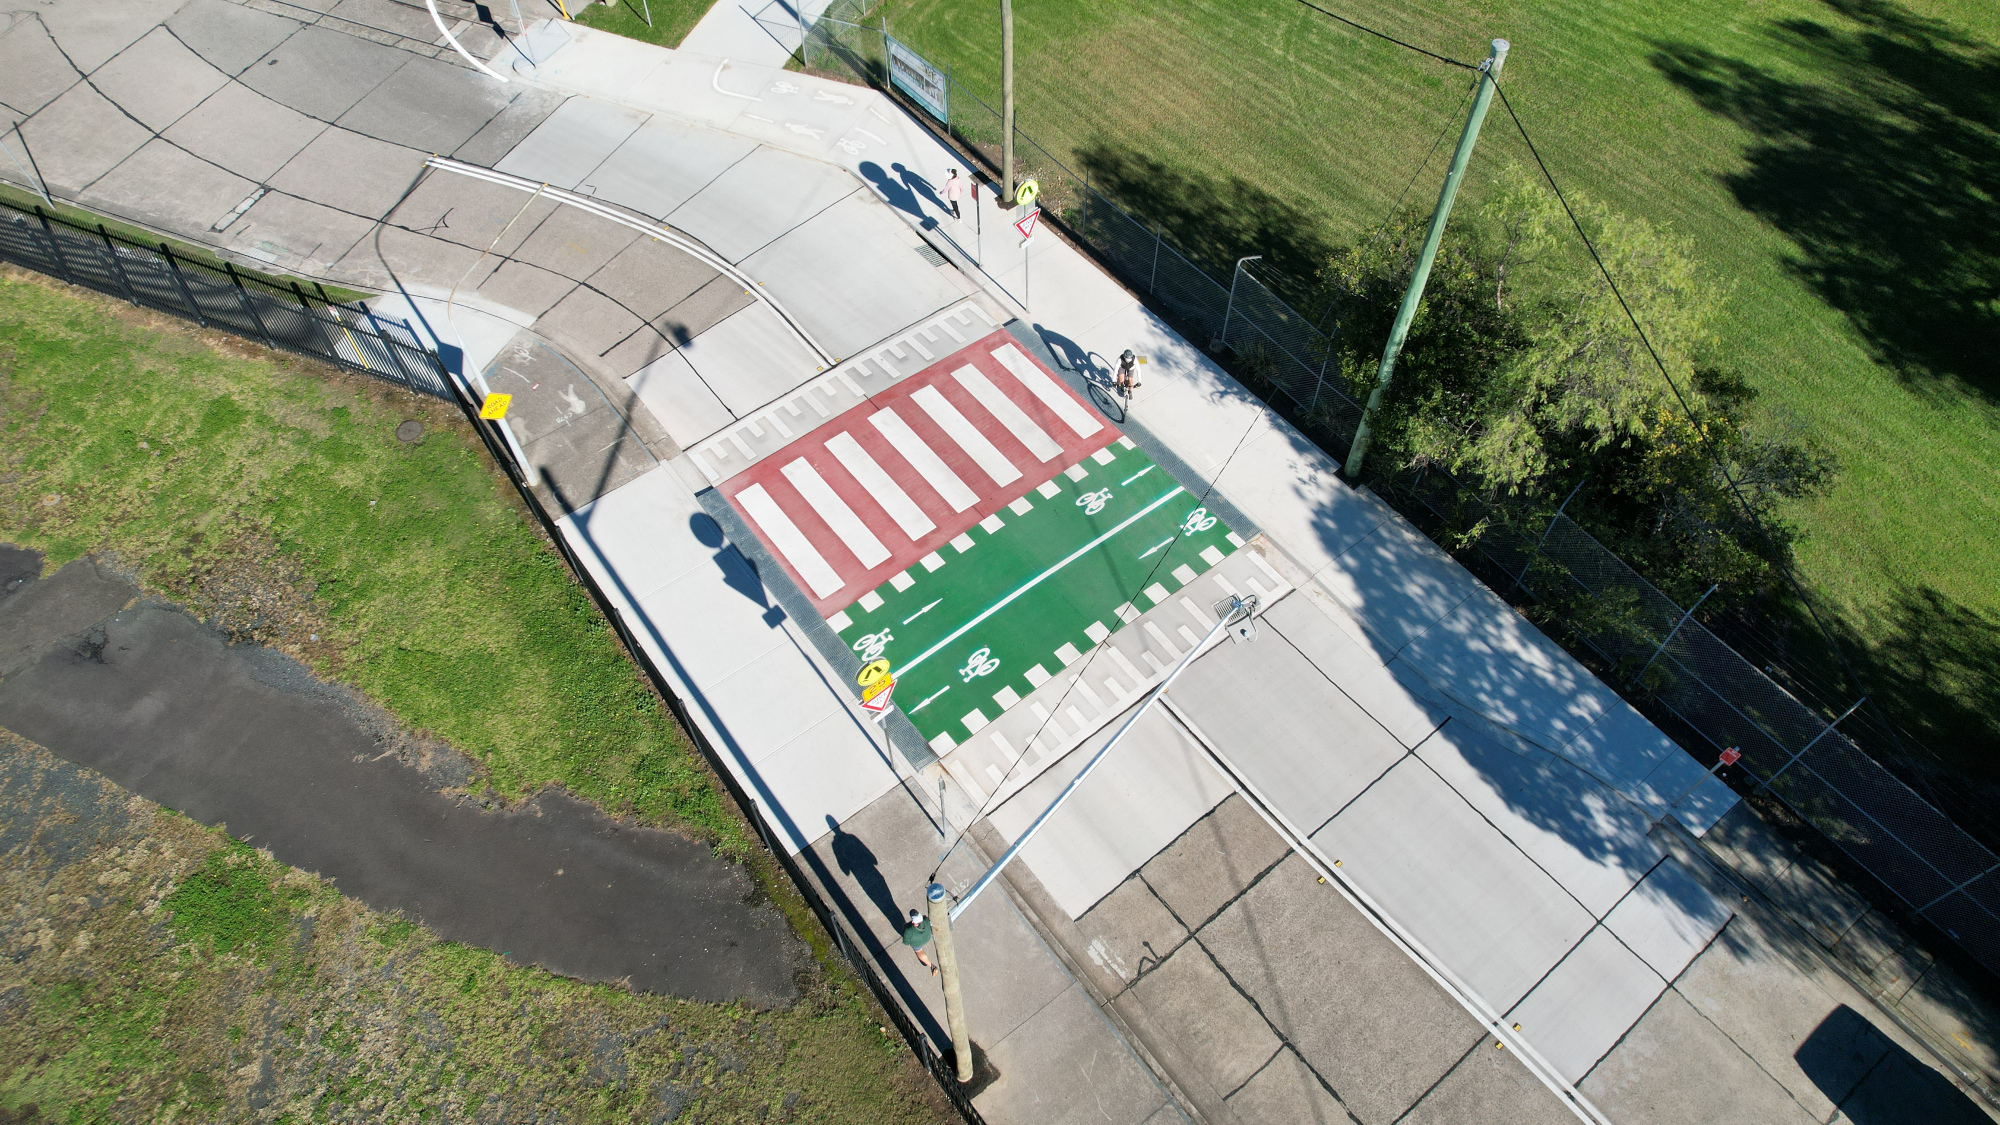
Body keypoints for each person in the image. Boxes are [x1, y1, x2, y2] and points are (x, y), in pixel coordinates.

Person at [902, 907, 937, 975]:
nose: (912, 922)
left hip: (917, 943)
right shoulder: (926, 919)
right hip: (927, 937)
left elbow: (906, 943)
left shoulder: (908, 930)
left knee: (919, 951)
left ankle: (932, 966)